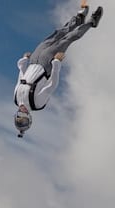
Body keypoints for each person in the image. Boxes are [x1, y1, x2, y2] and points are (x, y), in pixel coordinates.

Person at [13, 3, 105, 137]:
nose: (22, 113)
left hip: (34, 60)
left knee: (56, 34)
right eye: (24, 117)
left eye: (19, 116)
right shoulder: (36, 103)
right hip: (46, 65)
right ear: (29, 117)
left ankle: (79, 17)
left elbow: (20, 78)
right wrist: (56, 63)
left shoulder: (16, 98)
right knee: (67, 39)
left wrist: (23, 62)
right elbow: (52, 85)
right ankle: (92, 22)